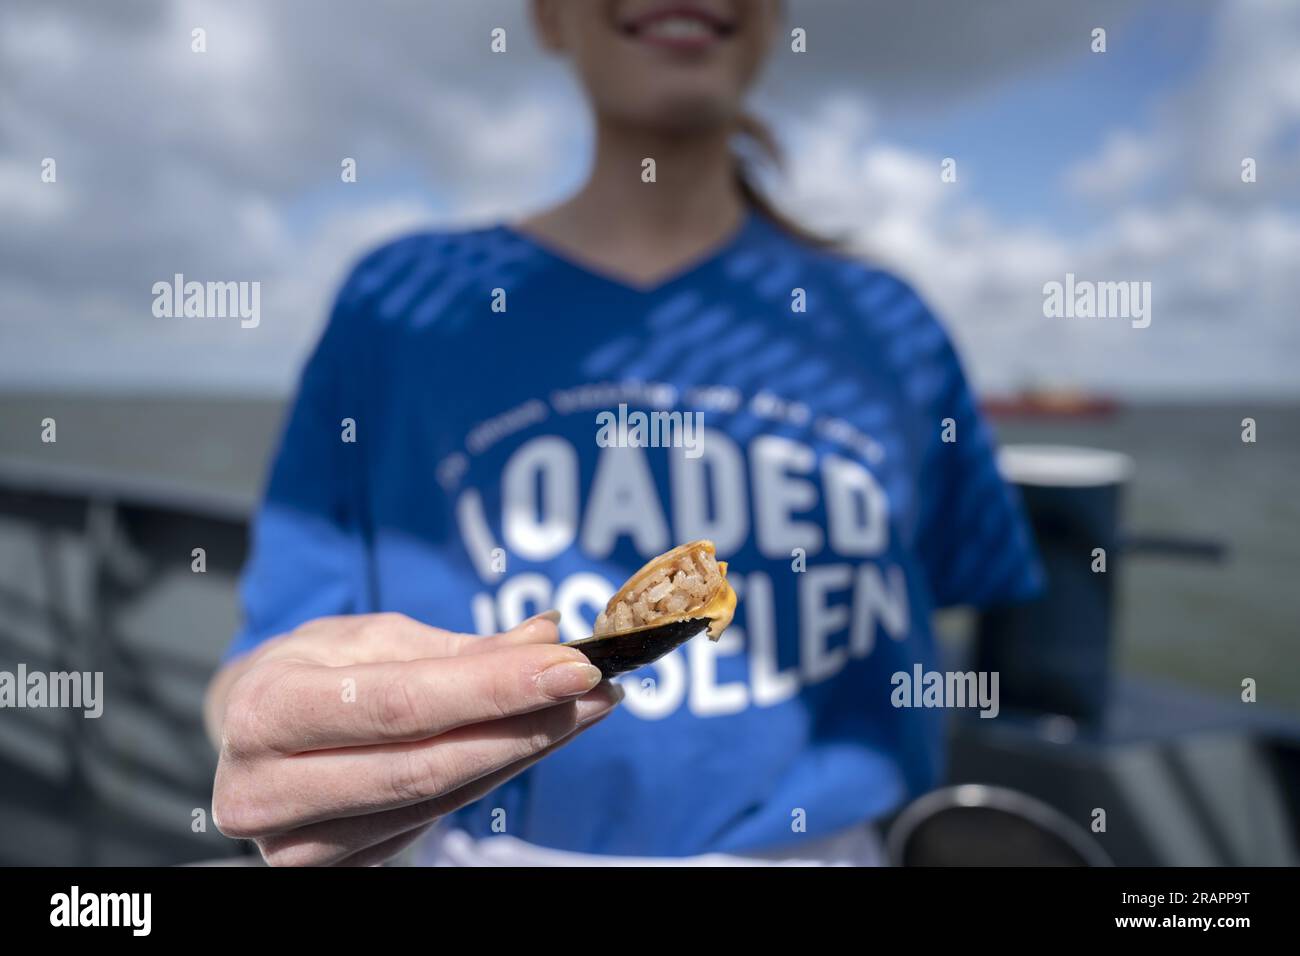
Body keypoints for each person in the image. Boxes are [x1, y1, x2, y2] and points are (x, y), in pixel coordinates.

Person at [205, 0, 1043, 866]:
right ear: (548, 17)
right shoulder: (397, 307)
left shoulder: (892, 328)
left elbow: (948, 610)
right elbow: (269, 656)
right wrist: (273, 728)